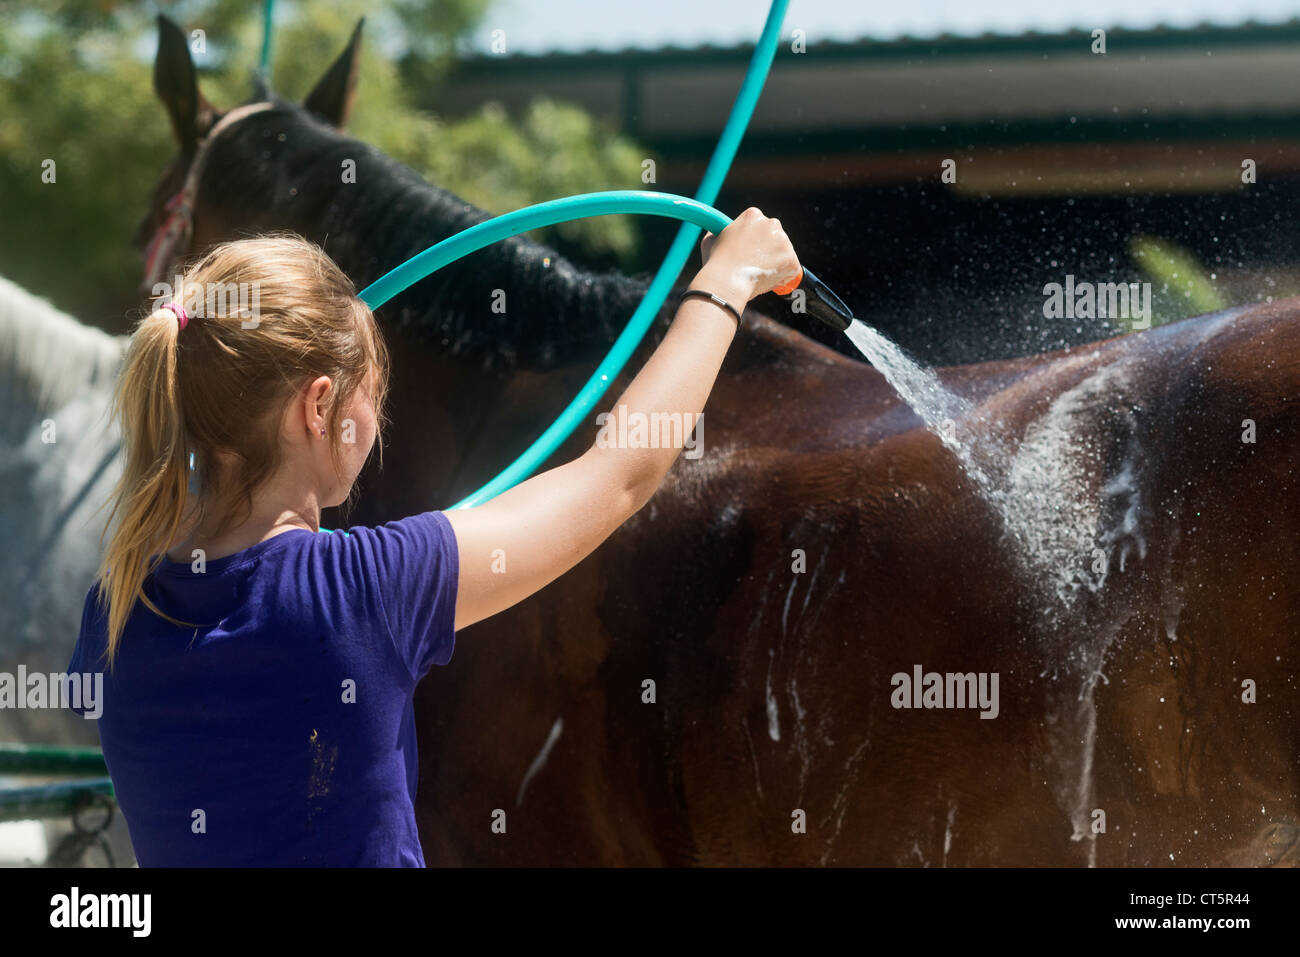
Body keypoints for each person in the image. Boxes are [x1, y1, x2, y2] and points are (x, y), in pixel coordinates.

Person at [67, 209, 800, 866]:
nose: (378, 427)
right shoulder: (364, 589)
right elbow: (622, 476)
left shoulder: (116, 606)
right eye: (372, 399)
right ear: (317, 407)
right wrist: (725, 282)